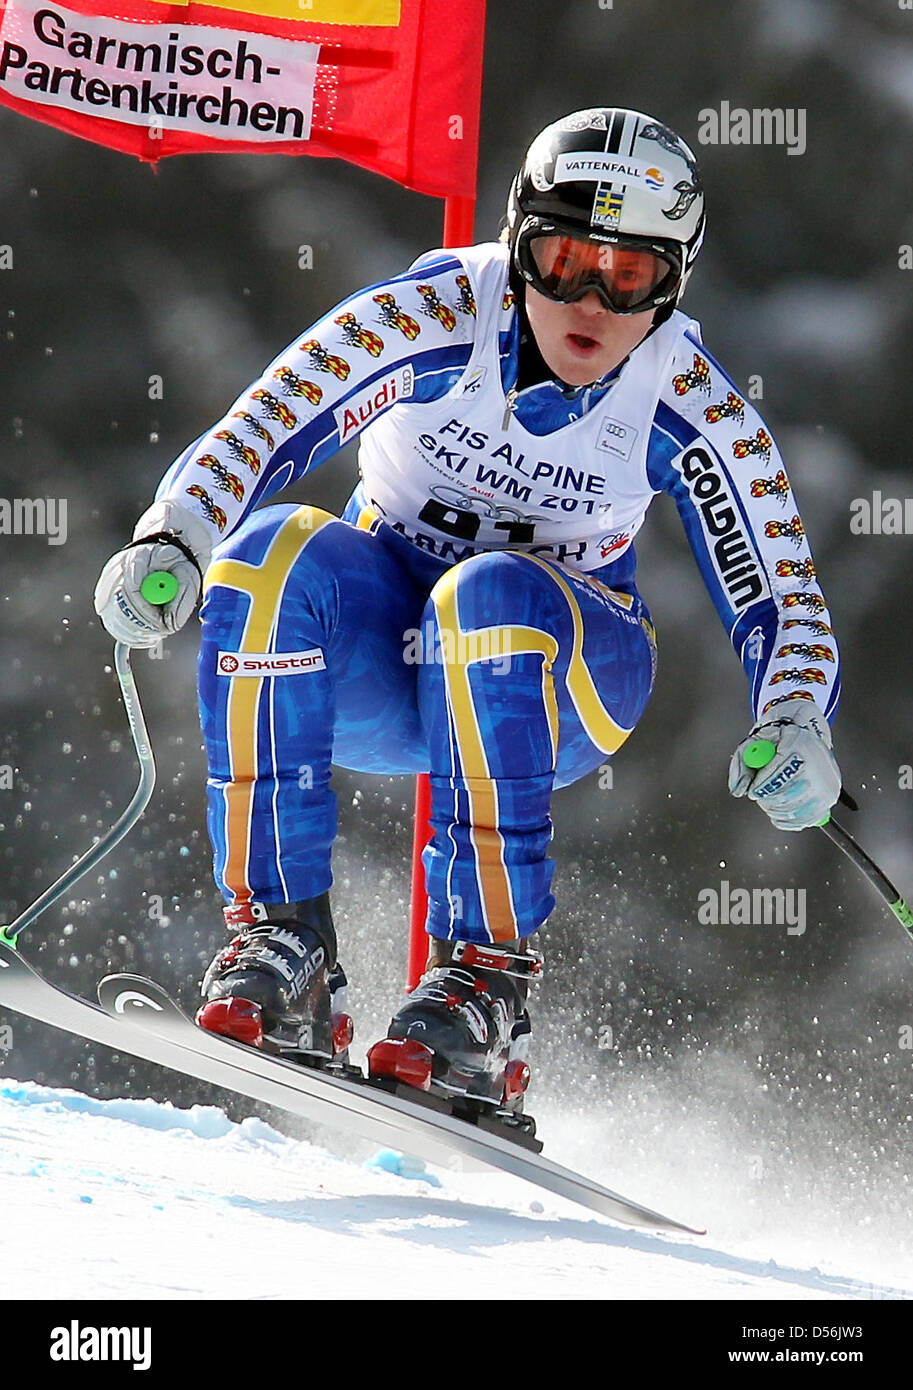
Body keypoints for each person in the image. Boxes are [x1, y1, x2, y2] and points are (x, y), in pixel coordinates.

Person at [94, 107, 842, 1132]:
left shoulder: (691, 397)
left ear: (671, 284)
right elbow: (271, 419)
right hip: (385, 658)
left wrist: (794, 714)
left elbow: (778, 585)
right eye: (561, 258)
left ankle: (485, 989)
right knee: (267, 550)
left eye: (626, 280)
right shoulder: (435, 313)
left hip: (562, 678)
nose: (586, 302)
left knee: (486, 595)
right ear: (515, 238)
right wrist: (175, 535)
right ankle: (285, 945)